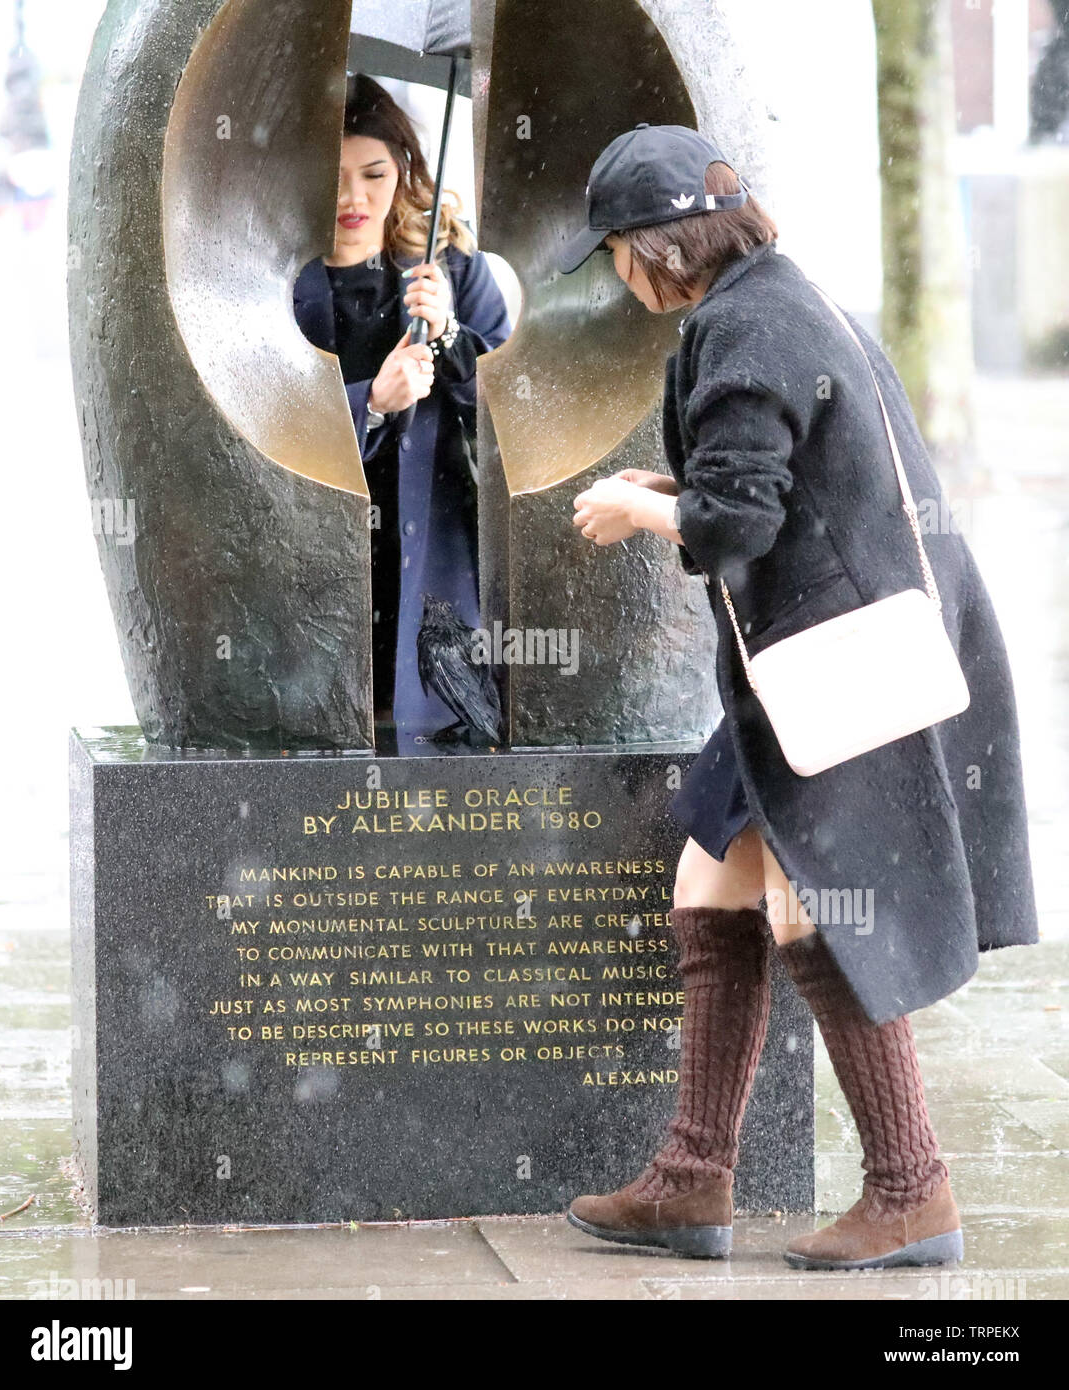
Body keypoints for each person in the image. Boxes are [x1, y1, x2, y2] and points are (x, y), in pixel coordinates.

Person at [556, 123, 1039, 1268]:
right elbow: (782, 476)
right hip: (827, 660)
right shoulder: (777, 297)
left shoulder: (742, 325)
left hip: (837, 674)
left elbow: (739, 523)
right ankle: (689, 1181)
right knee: (710, 880)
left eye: (617, 253)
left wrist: (644, 510)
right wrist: (674, 480)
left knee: (814, 905)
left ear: (655, 244)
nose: (619, 280)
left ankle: (910, 1190)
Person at [293, 75, 512, 740]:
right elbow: (262, 419)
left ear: (405, 170)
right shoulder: (281, 275)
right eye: (333, 175)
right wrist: (371, 404)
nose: (352, 197)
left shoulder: (450, 263)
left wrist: (447, 332)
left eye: (374, 174)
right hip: (319, 554)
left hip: (431, 545)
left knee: (430, 729)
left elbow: (511, 406)